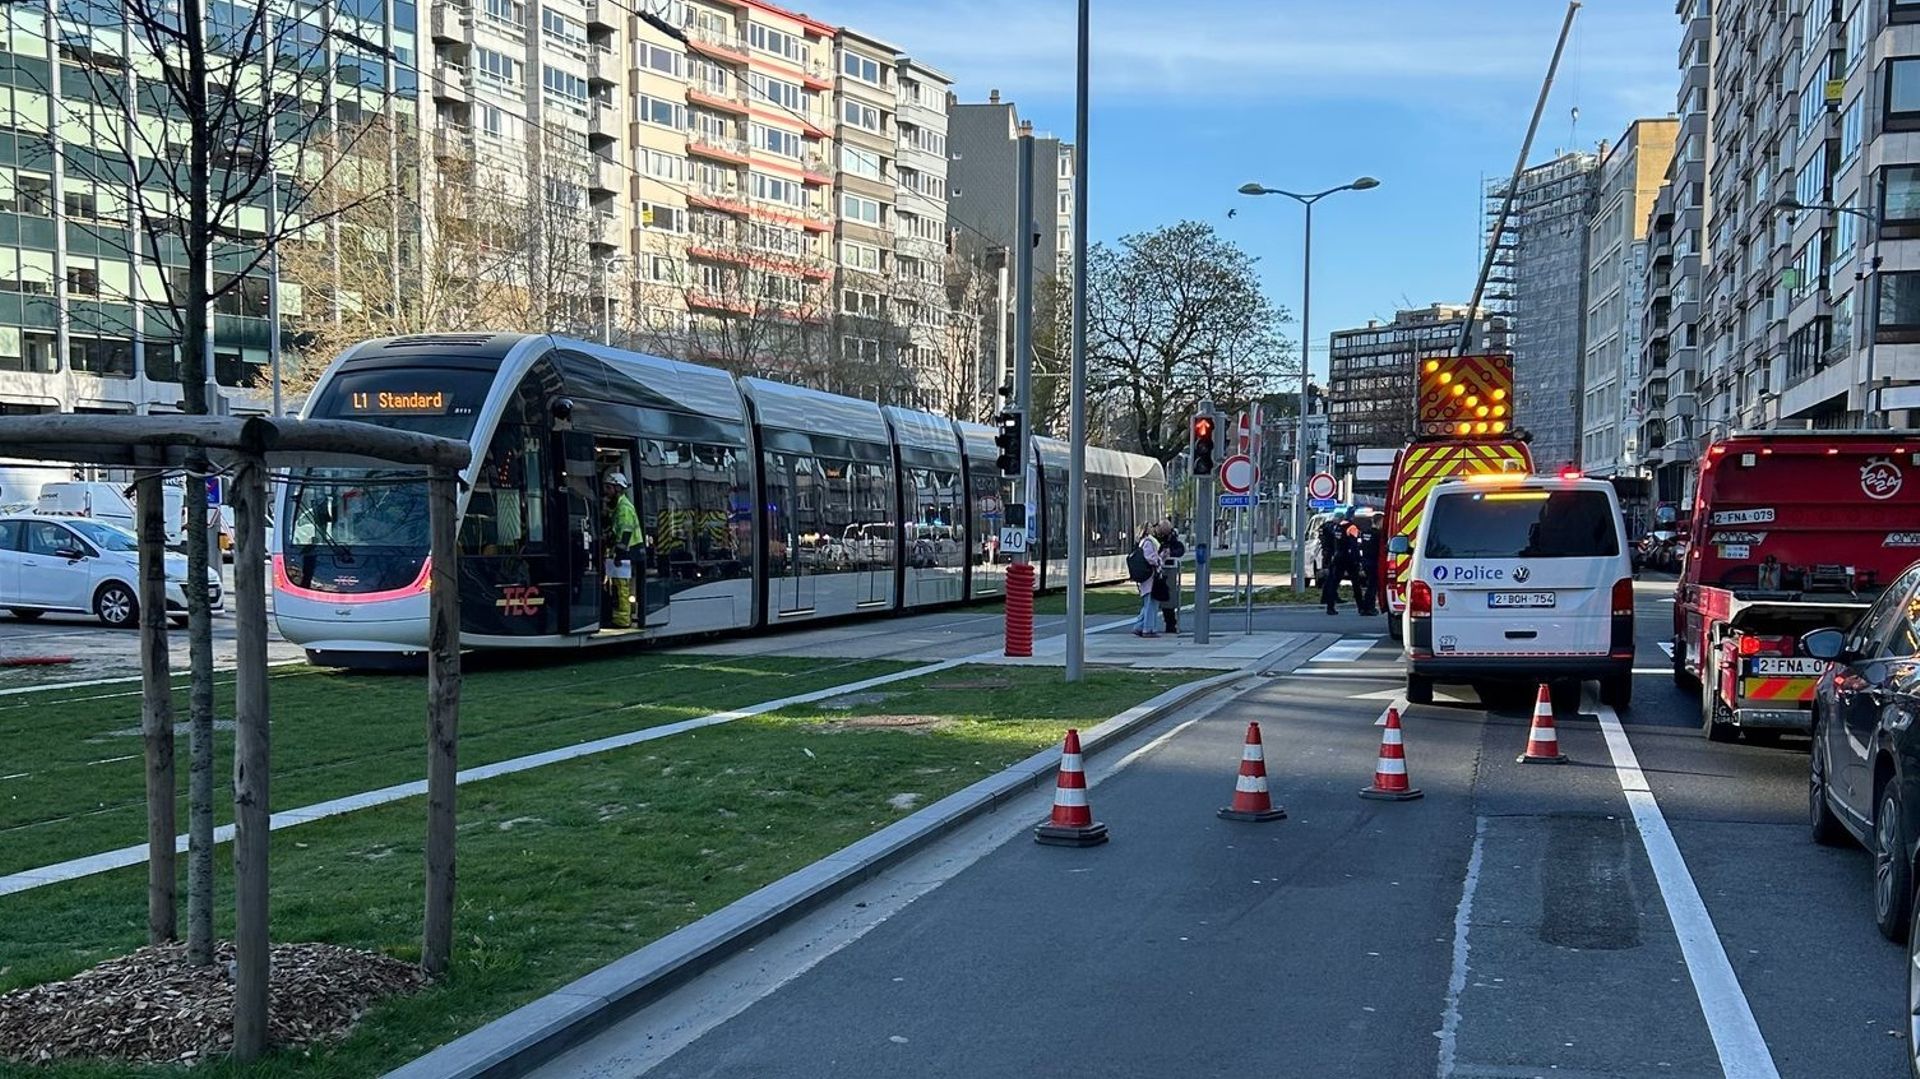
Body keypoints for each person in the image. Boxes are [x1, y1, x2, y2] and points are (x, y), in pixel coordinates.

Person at [602, 471, 642, 629]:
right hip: (626, 552)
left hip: (626, 552)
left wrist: (619, 554)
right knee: (618, 586)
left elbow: (625, 533)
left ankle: (623, 619)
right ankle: (620, 617)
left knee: (621, 588)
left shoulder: (624, 508)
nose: (606, 491)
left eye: (609, 488)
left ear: (618, 489)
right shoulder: (620, 506)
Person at [1131, 523, 1163, 637]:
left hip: (1146, 578)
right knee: (1151, 604)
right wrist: (1159, 560)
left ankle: (1139, 626)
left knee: (1148, 603)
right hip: (1150, 578)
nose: (1152, 529)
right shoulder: (1148, 542)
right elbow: (1150, 558)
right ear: (1146, 530)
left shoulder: (1141, 541)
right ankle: (1148, 629)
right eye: (1150, 527)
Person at [1155, 520, 1186, 635]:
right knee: (1157, 599)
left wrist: (1170, 553)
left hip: (1168, 572)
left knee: (1168, 598)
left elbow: (1180, 550)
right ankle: (1151, 624)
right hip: (1158, 571)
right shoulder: (1155, 538)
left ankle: (1170, 624)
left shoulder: (1173, 539)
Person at [1355, 512, 1381, 617]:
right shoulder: (1378, 534)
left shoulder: (1365, 532)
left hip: (1365, 561)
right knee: (1372, 586)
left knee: (1370, 585)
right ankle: (1369, 607)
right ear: (1379, 521)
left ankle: (1365, 607)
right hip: (1374, 562)